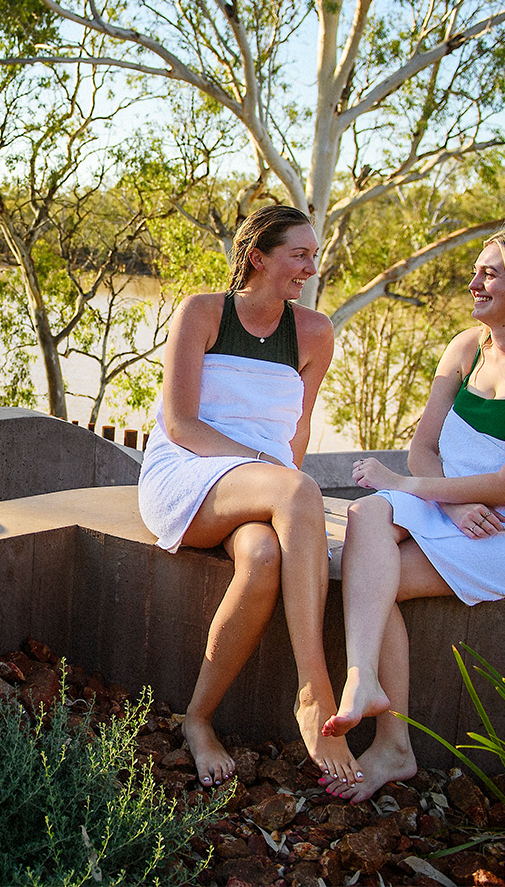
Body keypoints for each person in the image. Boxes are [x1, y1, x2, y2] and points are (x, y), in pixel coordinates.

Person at [320, 227, 505, 804]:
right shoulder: (468, 346)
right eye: (476, 271)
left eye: (489, 274)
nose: (474, 283)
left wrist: (406, 486)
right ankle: (363, 680)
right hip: (455, 504)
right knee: (367, 515)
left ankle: (393, 744)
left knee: (375, 576)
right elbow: (424, 447)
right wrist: (452, 501)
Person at [138, 204, 360, 790]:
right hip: (189, 471)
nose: (311, 268)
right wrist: (276, 475)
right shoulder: (202, 313)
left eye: (314, 255)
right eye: (299, 255)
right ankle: (314, 692)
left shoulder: (314, 332)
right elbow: (182, 424)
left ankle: (197, 718)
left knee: (263, 557)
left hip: (265, 484)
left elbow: (298, 430)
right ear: (258, 257)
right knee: (296, 487)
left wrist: (290, 504)